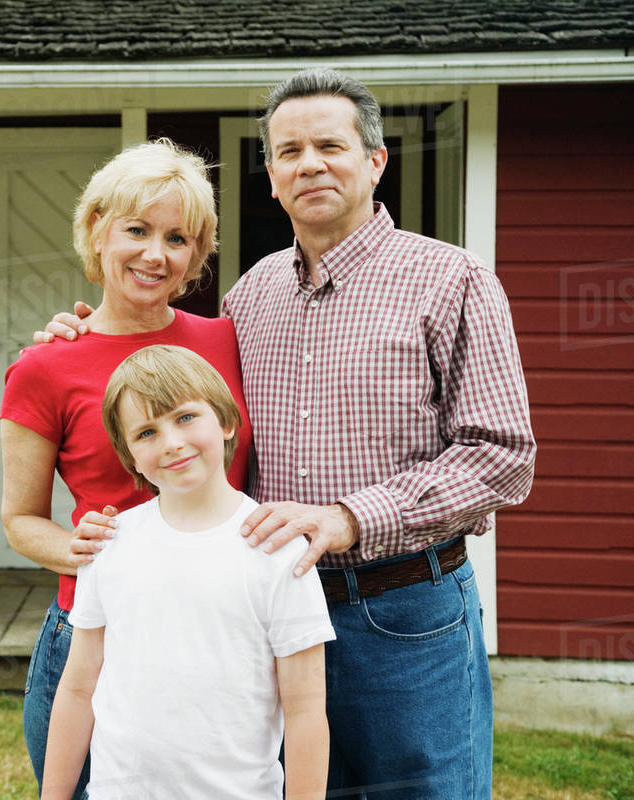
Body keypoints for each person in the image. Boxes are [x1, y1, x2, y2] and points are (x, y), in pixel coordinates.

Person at [39, 68, 537, 799]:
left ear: (375, 161)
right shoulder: (250, 298)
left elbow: (503, 457)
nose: (310, 165)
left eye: (330, 146)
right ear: (271, 177)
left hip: (402, 611)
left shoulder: (451, 280)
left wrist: (348, 518)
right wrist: (84, 334)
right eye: (289, 152)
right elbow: (169, 380)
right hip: (256, 614)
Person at [1, 139, 253, 799]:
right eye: (136, 230)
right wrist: (77, 548)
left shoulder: (226, 341)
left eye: (177, 238)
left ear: (197, 254)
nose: (155, 254)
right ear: (96, 231)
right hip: (99, 633)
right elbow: (21, 519)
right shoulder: (43, 367)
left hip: (221, 630)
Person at [41, 345, 333, 800]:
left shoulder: (278, 548)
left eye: (185, 418)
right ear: (130, 456)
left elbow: (306, 709)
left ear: (227, 421)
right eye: (146, 432)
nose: (172, 443)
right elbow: (78, 688)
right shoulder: (108, 544)